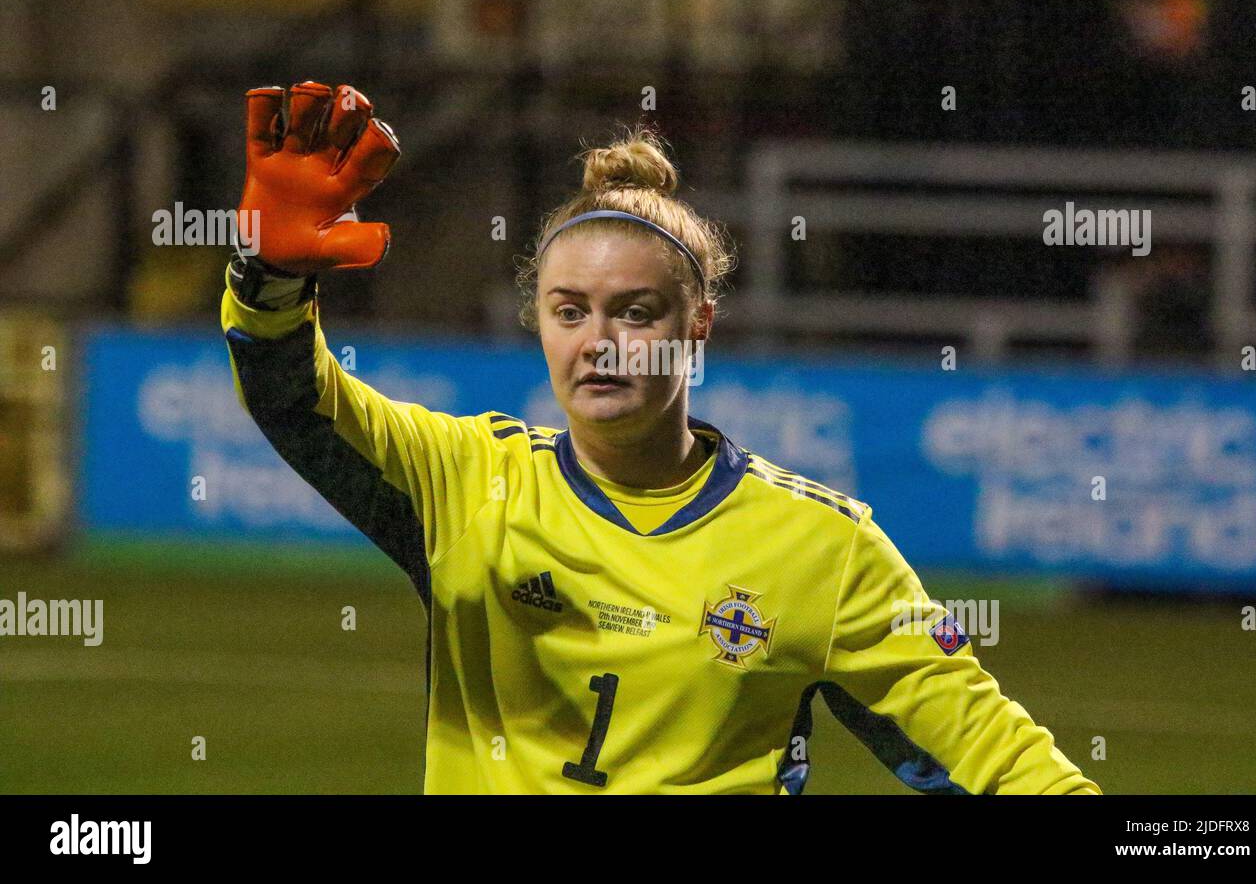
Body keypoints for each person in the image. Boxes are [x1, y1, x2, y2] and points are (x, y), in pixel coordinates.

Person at [222, 80, 1100, 795]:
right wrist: (269, 279)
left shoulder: (825, 550)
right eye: (569, 311)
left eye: (636, 312)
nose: (598, 340)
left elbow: (988, 758)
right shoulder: (463, 481)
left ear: (699, 325)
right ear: (539, 321)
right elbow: (297, 400)